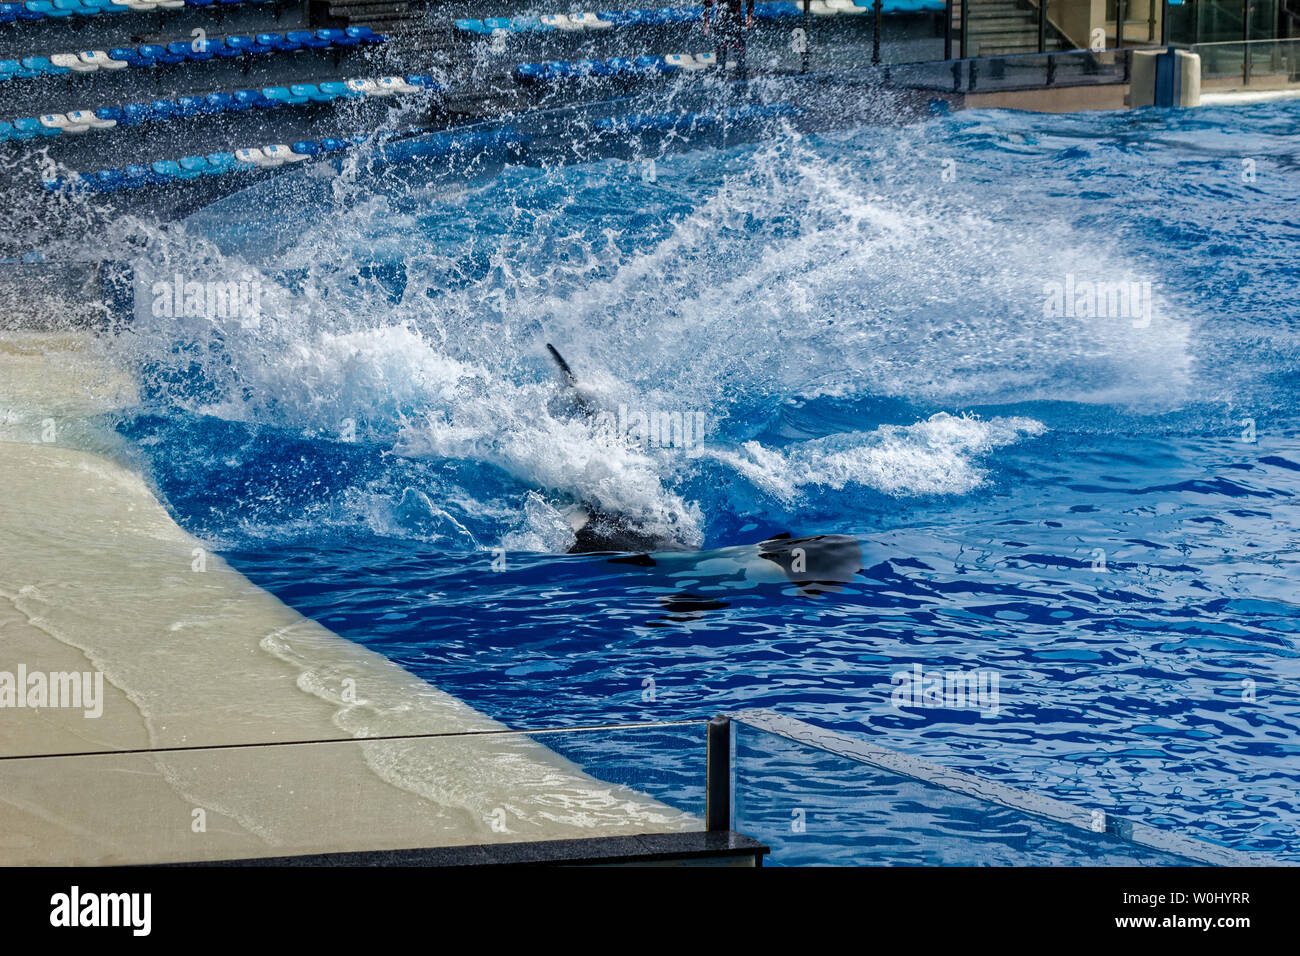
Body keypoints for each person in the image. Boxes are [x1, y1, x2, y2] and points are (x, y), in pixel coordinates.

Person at [703, 0, 755, 76]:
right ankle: (720, 72)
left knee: (739, 50)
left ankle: (741, 71)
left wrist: (749, 15)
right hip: (721, 21)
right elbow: (708, 2)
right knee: (721, 49)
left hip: (736, 19)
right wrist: (706, 22)